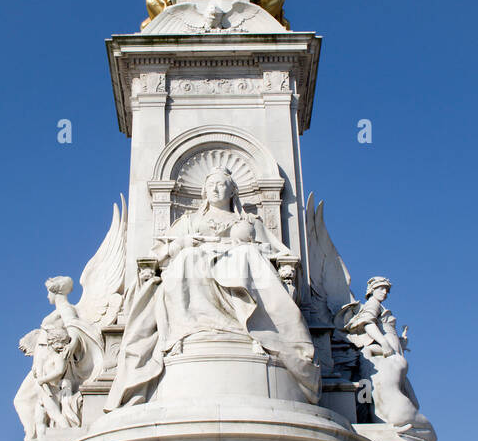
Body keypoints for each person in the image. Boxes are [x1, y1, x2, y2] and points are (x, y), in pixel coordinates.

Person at [106, 169, 319, 408]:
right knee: (187, 259)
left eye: (221, 184)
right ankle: (183, 335)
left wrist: (244, 246)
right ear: (204, 191)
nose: (215, 189)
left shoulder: (249, 222)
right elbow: (157, 254)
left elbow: (278, 252)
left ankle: (259, 333)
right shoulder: (188, 222)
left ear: (233, 190)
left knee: (248, 256)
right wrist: (182, 244)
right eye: (211, 185)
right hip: (196, 265)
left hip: (240, 264)